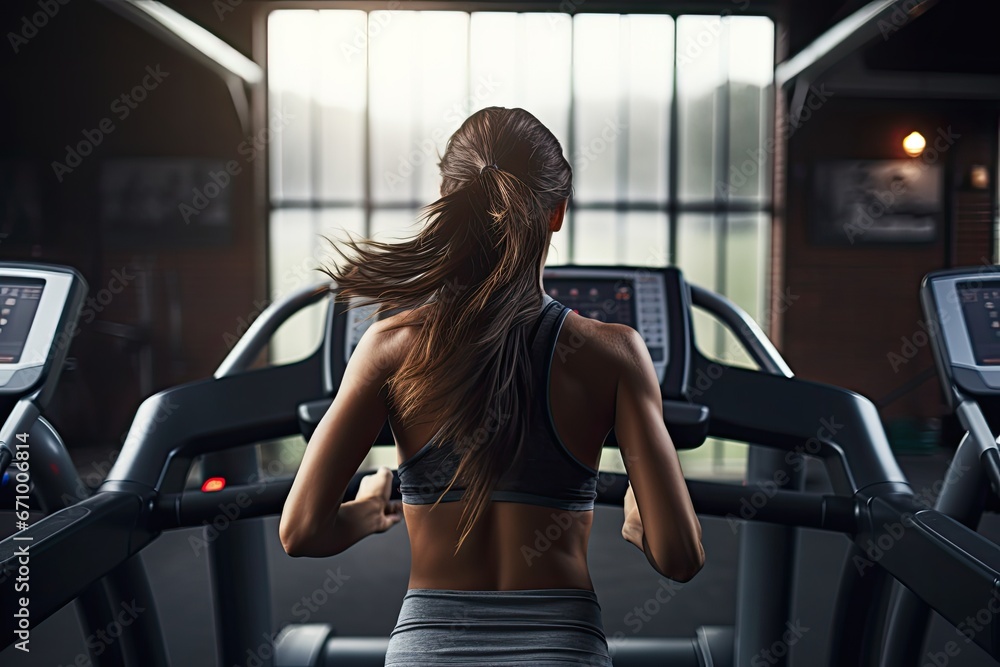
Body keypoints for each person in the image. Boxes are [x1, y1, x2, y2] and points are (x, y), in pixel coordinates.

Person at [279, 106, 705, 666]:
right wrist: (635, 521)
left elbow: (301, 531)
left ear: (447, 199)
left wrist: (365, 511)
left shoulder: (389, 346)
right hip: (562, 651)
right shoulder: (614, 353)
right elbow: (679, 557)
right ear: (557, 212)